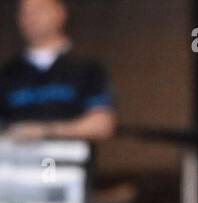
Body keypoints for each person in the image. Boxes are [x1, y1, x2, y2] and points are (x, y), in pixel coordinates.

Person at [0, 0, 114, 142]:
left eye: (39, 10)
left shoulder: (87, 67)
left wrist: (45, 131)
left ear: (60, 13)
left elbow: (101, 125)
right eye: (24, 12)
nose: (31, 17)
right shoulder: (8, 73)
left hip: (70, 160)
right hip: (17, 161)